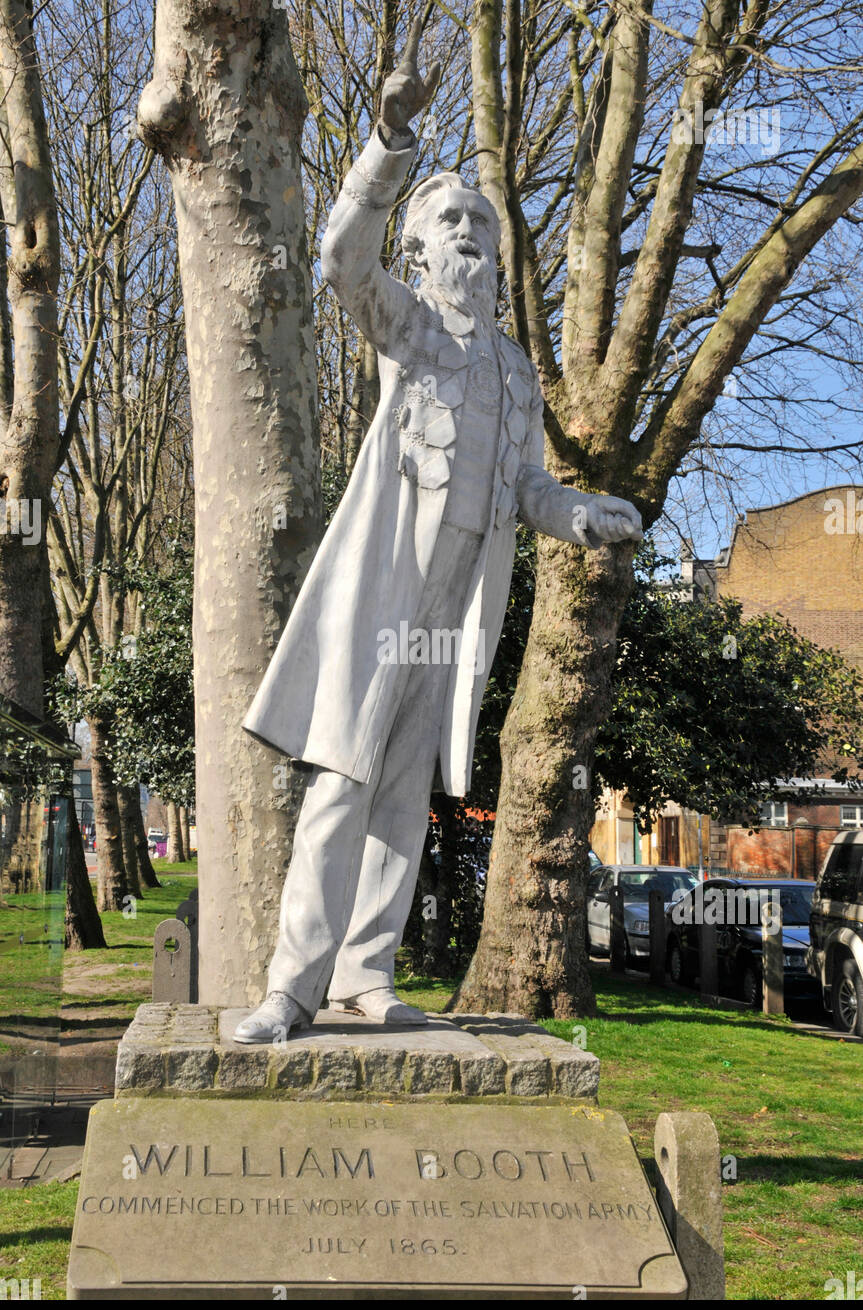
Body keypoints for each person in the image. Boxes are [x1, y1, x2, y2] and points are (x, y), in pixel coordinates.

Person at [235, 21, 642, 1042]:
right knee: (341, 776)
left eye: (481, 224)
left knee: (404, 790)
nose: (467, 233)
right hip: (383, 593)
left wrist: (581, 516)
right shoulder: (406, 324)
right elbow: (336, 258)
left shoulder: (510, 367)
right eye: (450, 221)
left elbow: (522, 490)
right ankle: (292, 985)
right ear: (418, 248)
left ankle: (364, 976)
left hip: (455, 610)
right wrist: (387, 145)